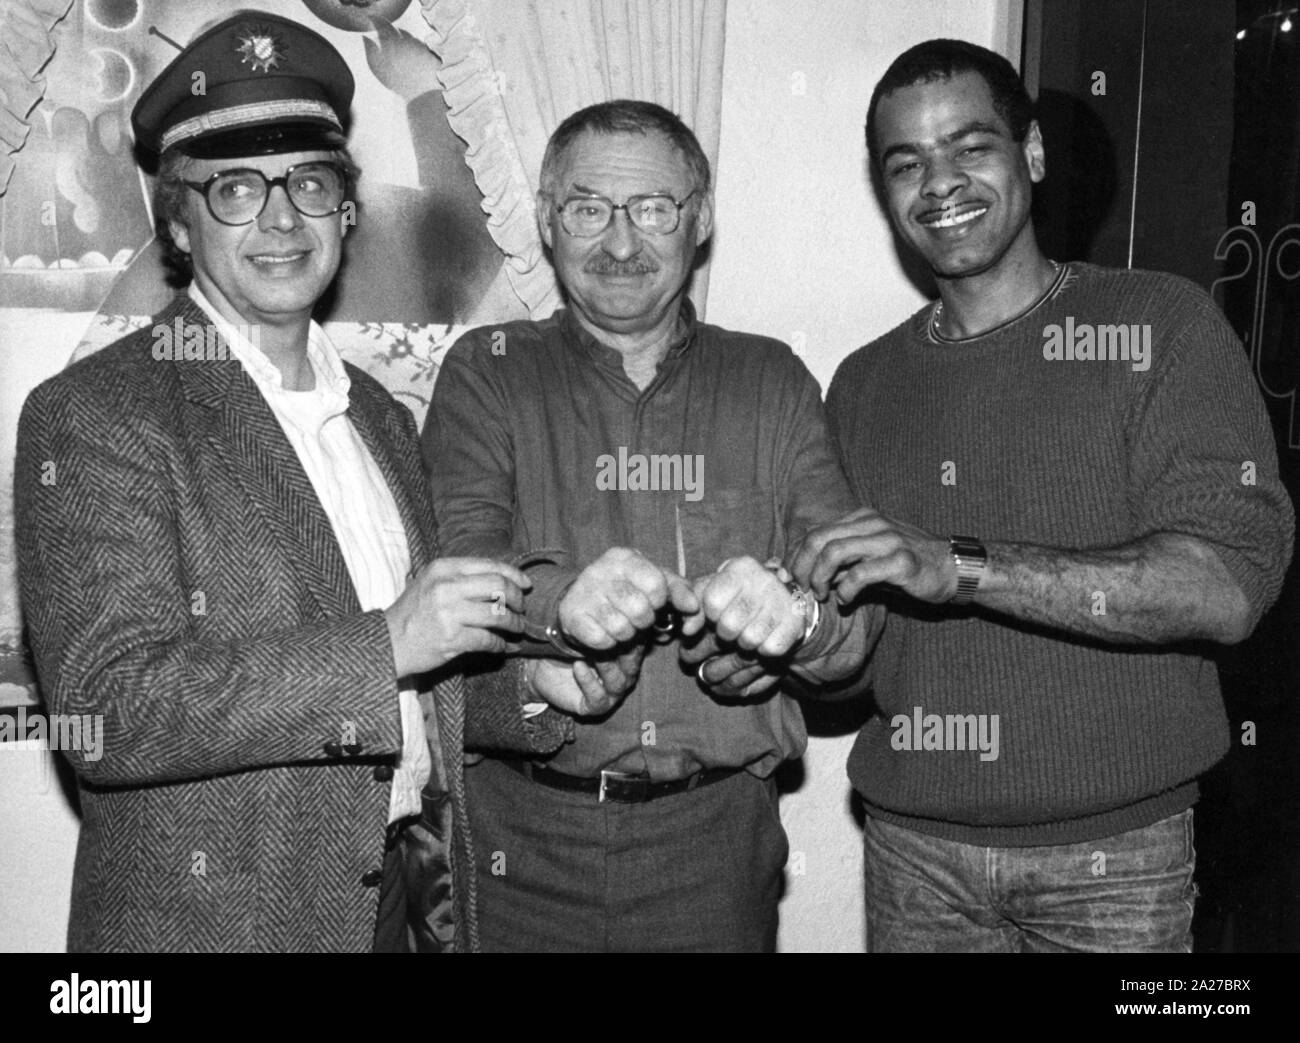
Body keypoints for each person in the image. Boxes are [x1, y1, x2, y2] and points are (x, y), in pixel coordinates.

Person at [14, 11, 561, 953]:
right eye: (236, 188)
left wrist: (542, 689)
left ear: (346, 211)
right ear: (177, 222)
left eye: (309, 183)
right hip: (216, 926)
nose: (280, 218)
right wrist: (386, 640)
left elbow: (419, 686)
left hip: (400, 898)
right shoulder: (94, 413)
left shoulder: (382, 415)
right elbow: (107, 708)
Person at [791, 38, 1295, 953]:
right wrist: (791, 640)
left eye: (969, 146)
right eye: (906, 163)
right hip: (913, 855)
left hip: (1116, 861)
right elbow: (859, 653)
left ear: (1031, 154)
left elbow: (1224, 589)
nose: (938, 182)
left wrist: (963, 565)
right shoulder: (861, 383)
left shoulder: (1158, 325)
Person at [422, 99, 876, 952]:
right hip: (517, 841)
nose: (621, 243)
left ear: (699, 221)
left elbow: (856, 622)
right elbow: (454, 577)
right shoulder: (489, 373)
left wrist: (798, 621)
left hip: (714, 847)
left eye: (654, 209)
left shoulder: (771, 378)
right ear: (550, 223)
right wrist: (559, 604)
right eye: (590, 208)